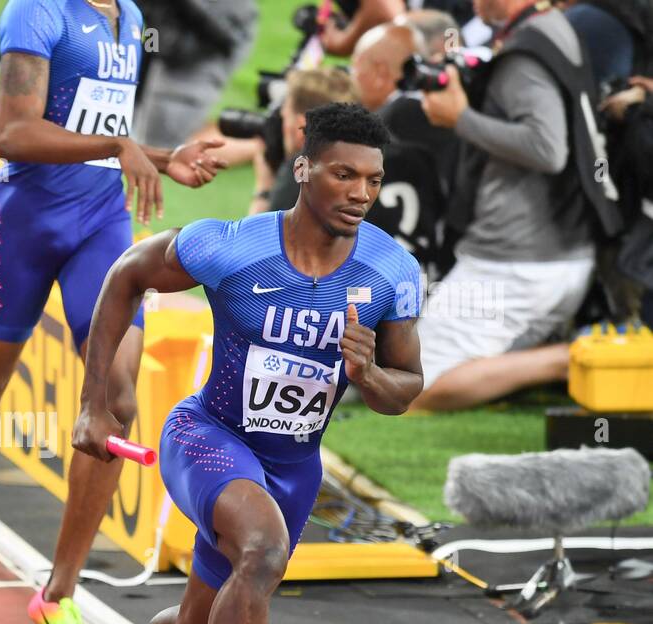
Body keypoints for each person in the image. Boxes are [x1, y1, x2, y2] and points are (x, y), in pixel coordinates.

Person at [59, 103, 424, 624]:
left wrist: (371, 376)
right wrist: (98, 403)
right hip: (208, 437)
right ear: (304, 168)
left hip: (293, 467)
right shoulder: (232, 248)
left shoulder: (390, 269)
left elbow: (405, 387)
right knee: (262, 551)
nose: (358, 192)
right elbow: (125, 276)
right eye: (344, 173)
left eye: (372, 181)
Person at [0, 0, 225, 624]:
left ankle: (60, 593)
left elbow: (101, 128)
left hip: (101, 223)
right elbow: (13, 134)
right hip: (24, 220)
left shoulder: (130, 15)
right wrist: (120, 146)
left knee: (116, 393)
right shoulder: (36, 12)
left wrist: (161, 159)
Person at [412, 0, 623, 410]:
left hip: (515, 267)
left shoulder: (525, 51)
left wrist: (459, 118)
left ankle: (566, 359)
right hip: (559, 257)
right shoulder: (554, 26)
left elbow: (548, 149)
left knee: (411, 388)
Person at [351, 23, 460, 273]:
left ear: (380, 73)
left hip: (413, 266)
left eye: (355, 66)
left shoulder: (391, 121)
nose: (351, 76)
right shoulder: (437, 110)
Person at [133, 0, 258, 148]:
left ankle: (257, 140)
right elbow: (150, 27)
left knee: (160, 143)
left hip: (202, 54)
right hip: (165, 47)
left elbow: (225, 36)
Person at [250, 67, 360, 215]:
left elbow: (254, 238)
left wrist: (263, 189)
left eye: (285, 117)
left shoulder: (303, 178)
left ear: (301, 128)